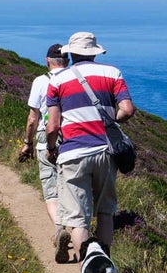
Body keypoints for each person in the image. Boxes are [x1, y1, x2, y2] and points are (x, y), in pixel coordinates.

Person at [45, 31, 135, 260]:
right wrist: (109, 120)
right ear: (94, 53)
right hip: (105, 152)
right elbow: (127, 109)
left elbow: (53, 125)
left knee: (78, 220)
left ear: (71, 54)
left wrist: (52, 148)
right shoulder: (112, 73)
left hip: (72, 153)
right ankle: (105, 269)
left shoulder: (57, 80)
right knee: (105, 213)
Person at [19, 44, 73, 261]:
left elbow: (33, 117)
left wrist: (27, 143)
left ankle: (59, 229)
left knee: (51, 191)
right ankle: (77, 230)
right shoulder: (74, 79)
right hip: (71, 136)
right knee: (70, 186)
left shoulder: (41, 81)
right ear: (67, 61)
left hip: (45, 136)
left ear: (47, 61)